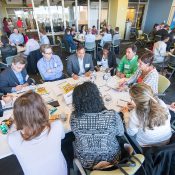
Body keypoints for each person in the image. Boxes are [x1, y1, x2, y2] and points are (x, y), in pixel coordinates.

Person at [8, 91, 67, 175]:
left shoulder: (12, 139)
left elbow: (13, 151)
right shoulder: (57, 125)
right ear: (43, 109)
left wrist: (15, 121)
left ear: (17, 116)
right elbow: (62, 136)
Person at [71, 82, 124, 169]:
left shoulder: (74, 117)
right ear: (98, 97)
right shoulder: (112, 115)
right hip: (112, 159)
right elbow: (121, 133)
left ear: (76, 102)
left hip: (86, 162)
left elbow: (76, 134)